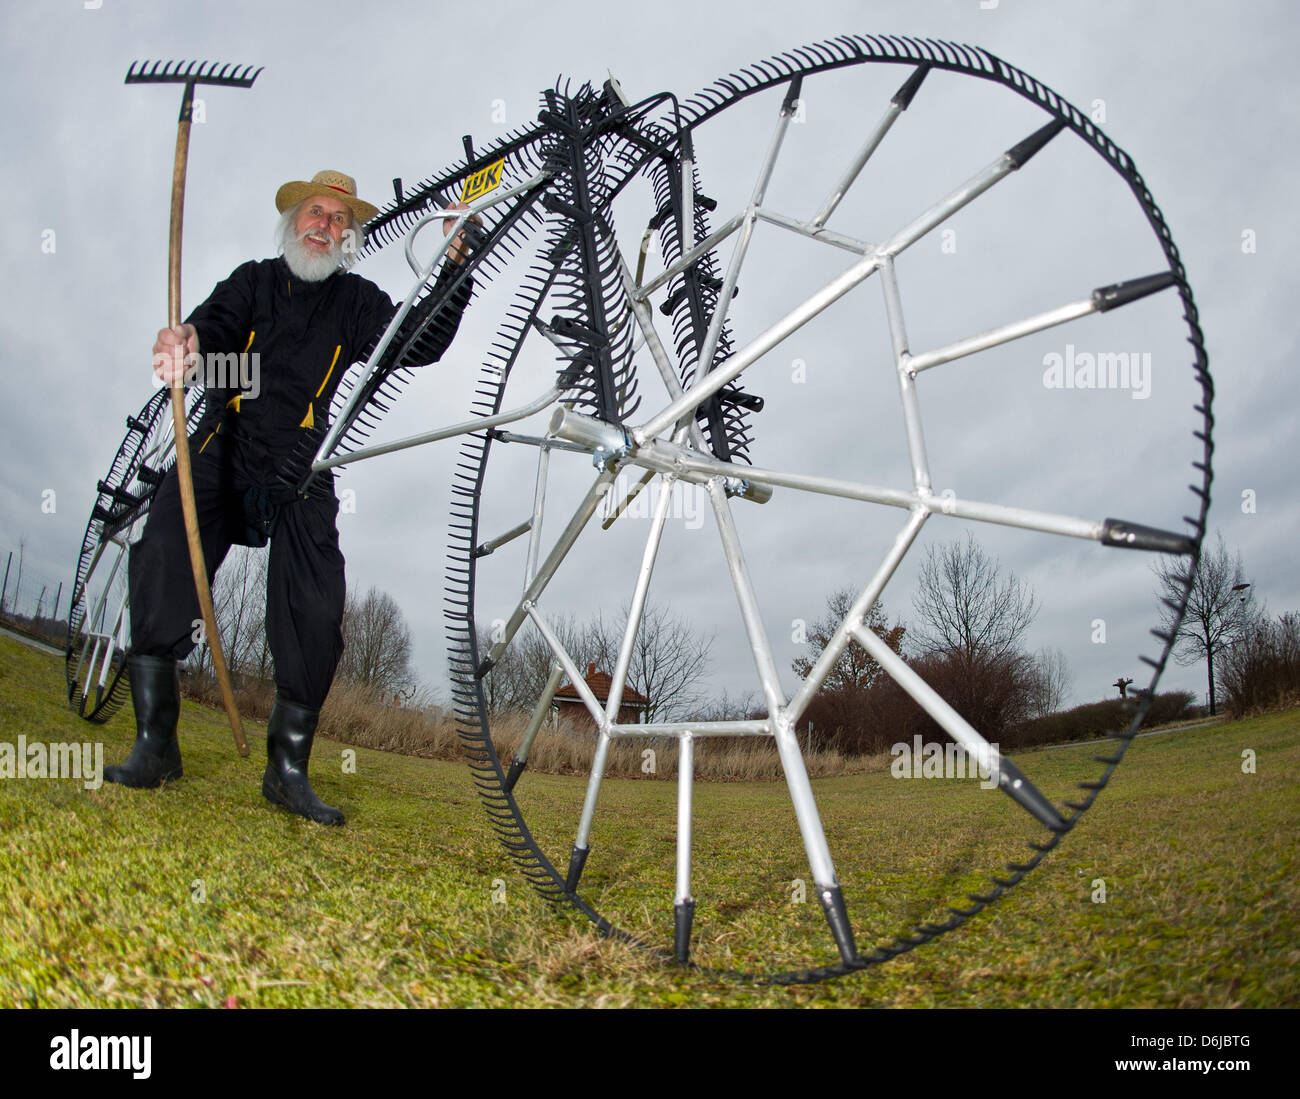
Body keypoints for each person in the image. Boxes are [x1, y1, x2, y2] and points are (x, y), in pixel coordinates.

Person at [103, 170, 475, 825]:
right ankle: (156, 746)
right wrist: (187, 344)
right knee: (163, 551)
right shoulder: (252, 281)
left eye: (338, 219)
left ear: (349, 236)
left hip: (303, 460)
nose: (325, 225)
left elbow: (416, 339)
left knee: (316, 598)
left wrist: (454, 262)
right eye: (316, 212)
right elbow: (213, 332)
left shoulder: (356, 302)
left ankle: (286, 772)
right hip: (226, 440)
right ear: (293, 221)